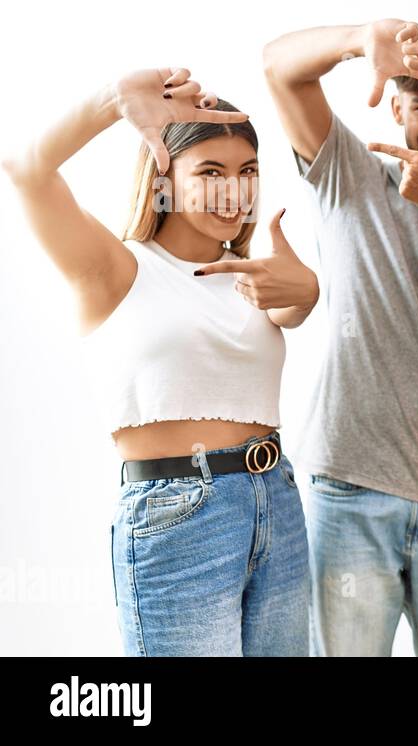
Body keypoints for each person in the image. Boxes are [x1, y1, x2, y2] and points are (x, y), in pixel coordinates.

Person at [2, 67, 320, 655]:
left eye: (248, 172)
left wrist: (308, 290)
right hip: (179, 514)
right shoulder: (115, 270)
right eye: (211, 173)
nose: (236, 190)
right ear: (162, 180)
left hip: (276, 497)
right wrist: (111, 97)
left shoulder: (254, 279)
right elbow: (25, 170)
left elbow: (293, 307)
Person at [263, 19, 418, 656]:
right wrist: (359, 38)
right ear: (396, 105)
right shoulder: (348, 171)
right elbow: (280, 68)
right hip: (347, 484)